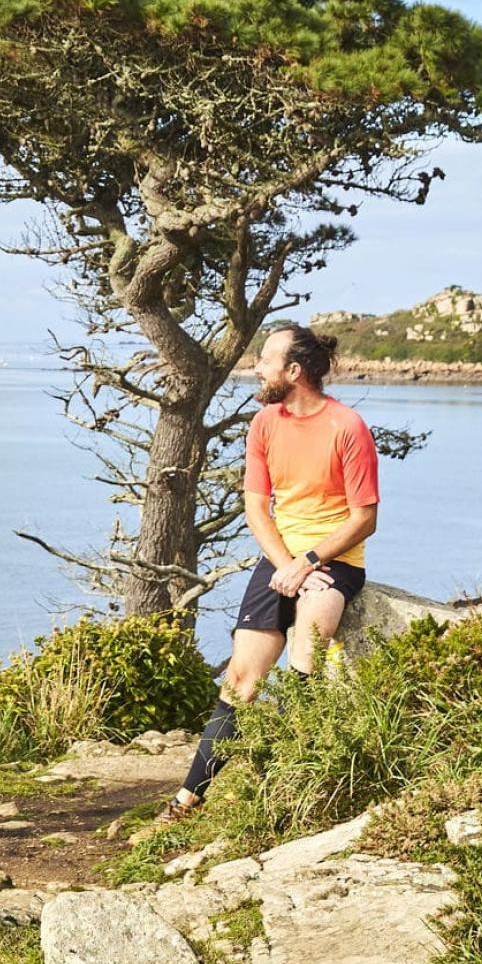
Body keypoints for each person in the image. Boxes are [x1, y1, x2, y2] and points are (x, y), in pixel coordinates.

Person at [161, 323, 380, 821]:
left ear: (294, 371)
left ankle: (295, 794)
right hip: (282, 562)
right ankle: (188, 800)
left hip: (333, 563)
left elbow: (364, 518)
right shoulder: (264, 423)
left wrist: (309, 563)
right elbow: (256, 507)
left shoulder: (348, 427)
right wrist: (287, 565)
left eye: (265, 359)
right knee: (241, 679)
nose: (257, 367)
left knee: (306, 663)